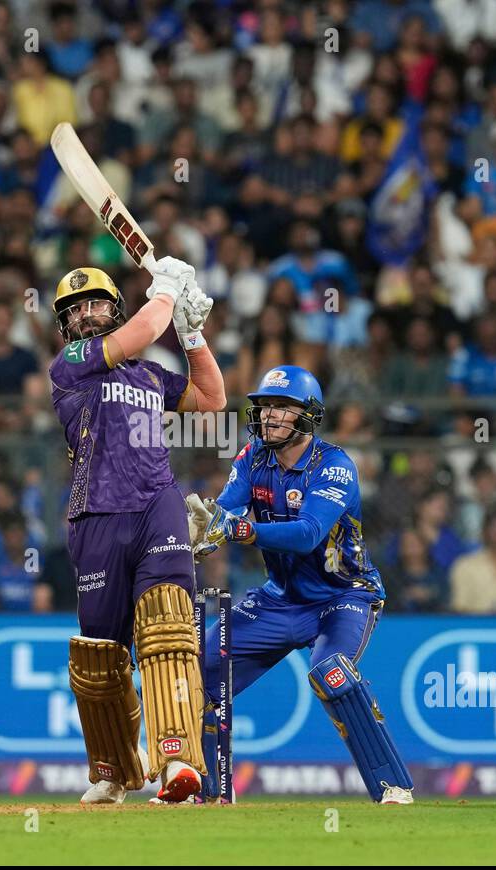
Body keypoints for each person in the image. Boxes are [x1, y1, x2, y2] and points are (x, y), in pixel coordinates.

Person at [192, 365, 414, 805]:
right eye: (265, 406)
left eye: (282, 408)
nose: (270, 415)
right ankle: (211, 794)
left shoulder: (335, 466)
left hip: (344, 595)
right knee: (199, 671)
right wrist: (206, 528)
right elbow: (226, 511)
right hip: (280, 599)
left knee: (332, 673)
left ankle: (393, 786)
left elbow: (308, 534)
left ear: (308, 416)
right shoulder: (253, 455)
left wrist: (239, 531)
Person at [49, 257, 226, 805]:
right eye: (73, 311)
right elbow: (144, 331)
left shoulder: (149, 374)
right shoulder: (71, 364)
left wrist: (193, 334)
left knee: (170, 624)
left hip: (157, 505)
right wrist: (168, 294)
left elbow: (212, 399)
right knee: (101, 652)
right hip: (96, 514)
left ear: (114, 307)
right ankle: (112, 769)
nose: (84, 315)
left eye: (95, 303)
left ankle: (176, 759)